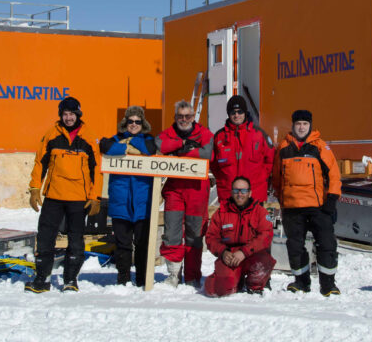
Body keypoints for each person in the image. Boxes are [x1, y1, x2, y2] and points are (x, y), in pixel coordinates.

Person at [25, 96, 101, 293]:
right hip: (54, 196)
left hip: (79, 199)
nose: (68, 118)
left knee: (76, 240)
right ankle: (42, 279)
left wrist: (95, 197)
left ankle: (70, 280)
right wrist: (34, 188)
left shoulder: (88, 139)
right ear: (61, 116)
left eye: (72, 114)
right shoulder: (51, 135)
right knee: (45, 238)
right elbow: (40, 163)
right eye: (65, 114)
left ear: (78, 115)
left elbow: (96, 170)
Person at [272, 109, 341, 296]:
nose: (301, 127)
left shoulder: (320, 147)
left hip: (318, 207)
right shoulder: (283, 148)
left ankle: (328, 285)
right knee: (295, 247)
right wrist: (281, 198)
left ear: (310, 125)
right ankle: (301, 282)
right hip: (292, 208)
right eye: (298, 124)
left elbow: (334, 175)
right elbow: (276, 177)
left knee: (326, 245)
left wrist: (332, 199)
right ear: (293, 125)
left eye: (305, 124)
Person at [157, 100, 213, 287]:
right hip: (175, 190)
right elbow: (159, 145)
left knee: (194, 235)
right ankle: (173, 274)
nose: (184, 119)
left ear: (193, 117)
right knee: (172, 233)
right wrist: (182, 144)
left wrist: (181, 153)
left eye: (188, 116)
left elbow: (208, 154)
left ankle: (192, 276)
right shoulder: (169, 133)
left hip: (197, 190)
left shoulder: (204, 133)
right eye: (180, 116)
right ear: (175, 117)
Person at [99, 106, 156, 287]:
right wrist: (126, 148)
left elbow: (151, 148)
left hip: (142, 202)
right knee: (122, 244)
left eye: (137, 122)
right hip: (120, 200)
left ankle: (141, 279)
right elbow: (104, 145)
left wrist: (133, 145)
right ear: (125, 122)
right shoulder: (117, 139)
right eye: (130, 121)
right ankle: (123, 278)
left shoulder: (148, 139)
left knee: (141, 243)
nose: (133, 125)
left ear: (143, 123)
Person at [204, 176, 276, 297]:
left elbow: (266, 236)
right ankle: (235, 280)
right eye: (236, 190)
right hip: (230, 256)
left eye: (243, 191)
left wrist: (244, 252)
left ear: (249, 193)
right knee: (220, 290)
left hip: (252, 254)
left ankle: (255, 285)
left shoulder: (260, 212)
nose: (239, 194)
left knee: (262, 263)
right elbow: (211, 237)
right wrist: (223, 252)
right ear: (232, 192)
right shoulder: (222, 212)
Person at [211, 95, 275, 205]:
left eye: (240, 111)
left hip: (255, 195)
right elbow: (213, 164)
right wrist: (223, 180)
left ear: (245, 113)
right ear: (228, 114)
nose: (237, 115)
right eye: (233, 112)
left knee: (254, 223)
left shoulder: (258, 134)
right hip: (228, 196)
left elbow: (270, 160)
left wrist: (262, 178)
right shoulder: (219, 137)